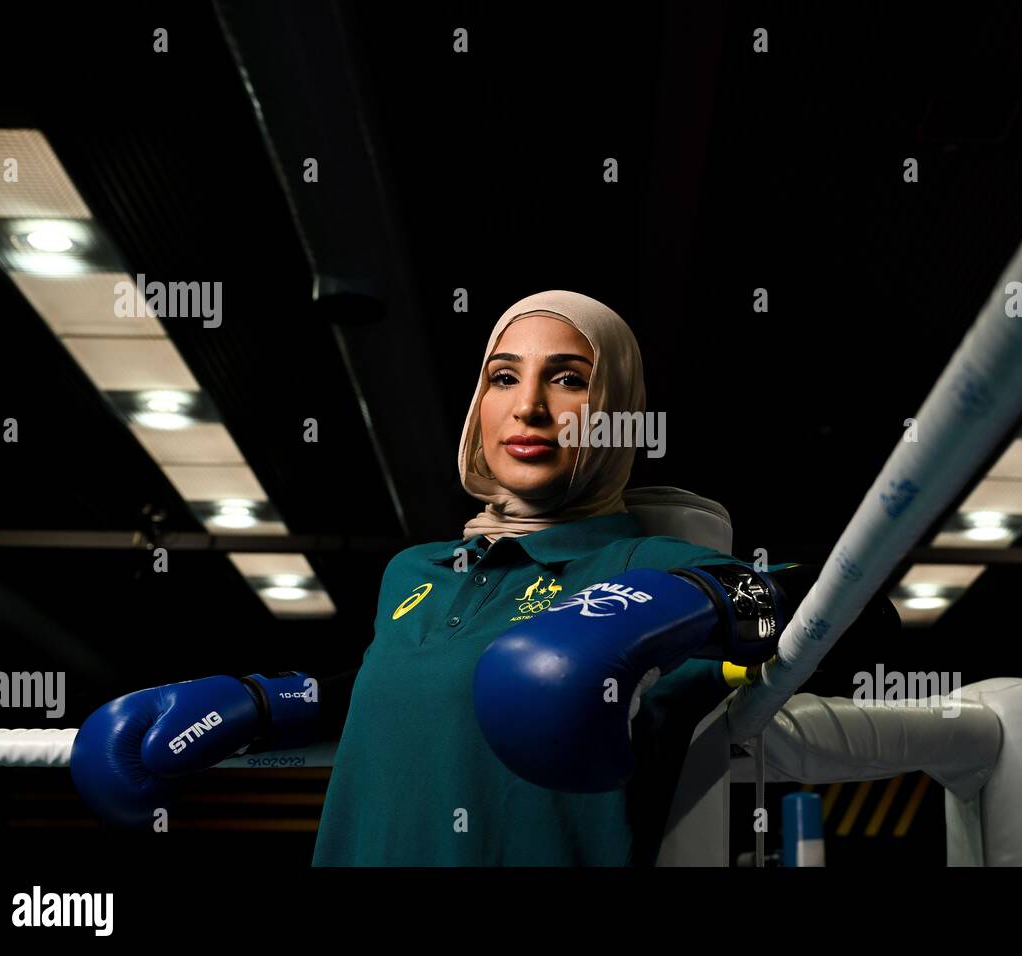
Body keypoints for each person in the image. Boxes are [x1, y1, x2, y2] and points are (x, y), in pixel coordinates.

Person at [311, 290, 759, 866]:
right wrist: (272, 700)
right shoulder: (413, 570)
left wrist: (681, 602)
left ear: (617, 410)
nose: (528, 406)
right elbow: (422, 692)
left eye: (569, 379)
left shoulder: (641, 564)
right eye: (503, 378)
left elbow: (797, 607)